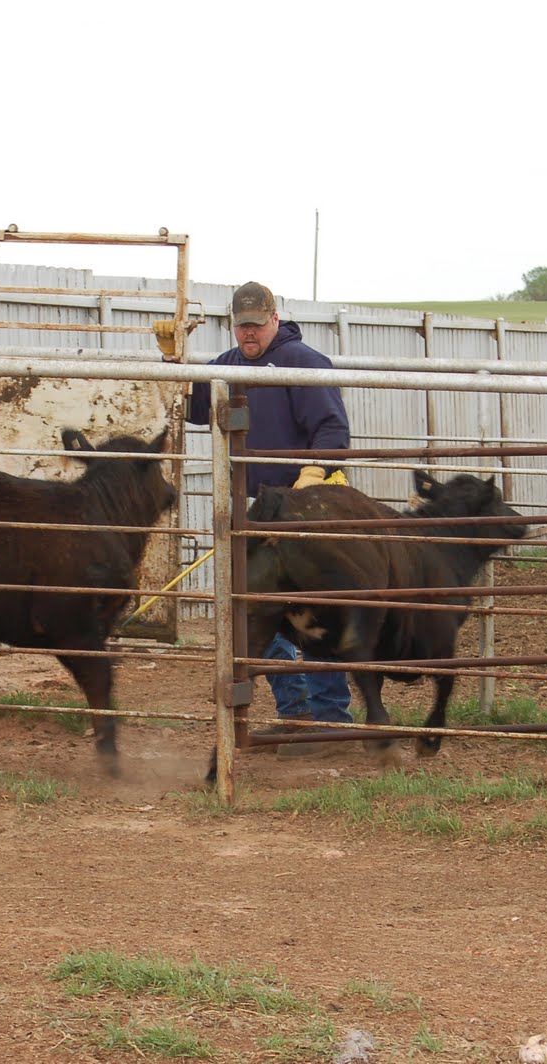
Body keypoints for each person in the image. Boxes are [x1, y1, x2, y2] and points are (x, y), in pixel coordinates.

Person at [186, 281, 354, 742]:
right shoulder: (227, 366)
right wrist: (172, 364)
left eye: (256, 325)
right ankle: (295, 709)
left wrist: (314, 471)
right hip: (257, 511)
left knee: (316, 611)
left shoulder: (304, 363)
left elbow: (332, 428)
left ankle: (330, 720)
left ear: (275, 319)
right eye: (241, 327)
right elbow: (194, 406)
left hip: (305, 506)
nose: (248, 335)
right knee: (257, 611)